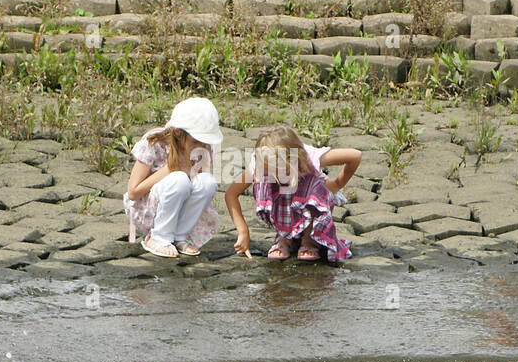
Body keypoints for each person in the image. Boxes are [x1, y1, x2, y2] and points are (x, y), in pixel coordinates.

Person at [225, 124, 360, 262]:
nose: (276, 174)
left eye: (282, 169)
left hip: (309, 197)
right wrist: (243, 232)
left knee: (312, 184)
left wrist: (336, 185)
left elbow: (355, 156)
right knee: (262, 184)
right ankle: (284, 237)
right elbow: (231, 194)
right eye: (271, 170)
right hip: (283, 201)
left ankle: (309, 240)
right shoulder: (259, 164)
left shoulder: (309, 158)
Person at [124, 97, 222, 258]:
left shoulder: (203, 146)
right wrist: (171, 169)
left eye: (205, 142)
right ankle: (158, 237)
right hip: (147, 209)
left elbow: (199, 188)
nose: (202, 146)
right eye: (197, 141)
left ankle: (180, 236)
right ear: (178, 132)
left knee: (207, 182)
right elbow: (133, 193)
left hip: (179, 206)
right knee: (179, 179)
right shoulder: (155, 143)